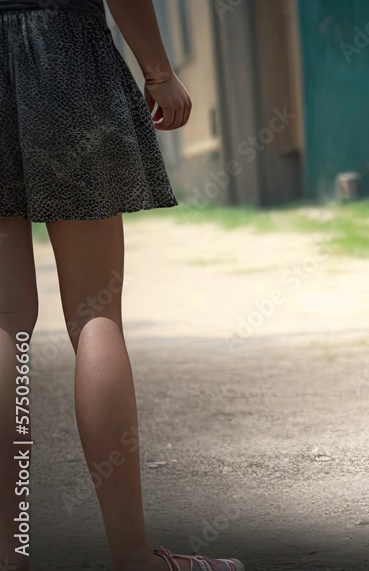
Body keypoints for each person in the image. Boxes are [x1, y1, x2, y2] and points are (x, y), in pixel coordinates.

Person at [0, 1, 243, 569]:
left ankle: (10, 553)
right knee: (94, 316)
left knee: (5, 322)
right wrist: (158, 72)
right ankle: (133, 558)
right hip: (66, 58)